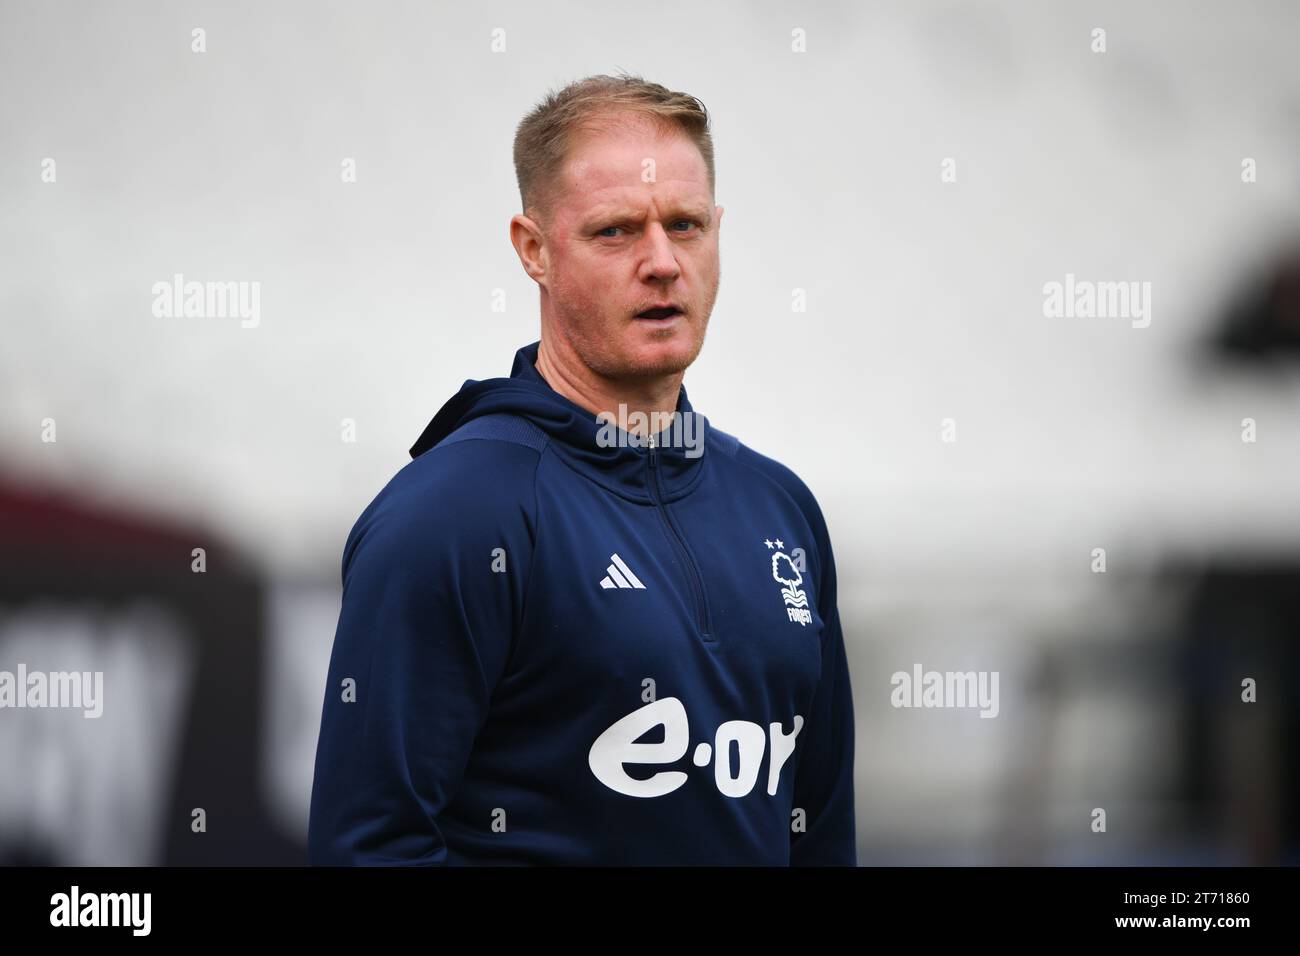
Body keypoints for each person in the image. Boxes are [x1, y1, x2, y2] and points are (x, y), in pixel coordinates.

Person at [307, 73, 856, 865]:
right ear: (534, 249)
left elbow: (822, 840)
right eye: (616, 232)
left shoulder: (781, 511)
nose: (663, 262)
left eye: (686, 225)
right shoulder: (454, 515)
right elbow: (370, 851)